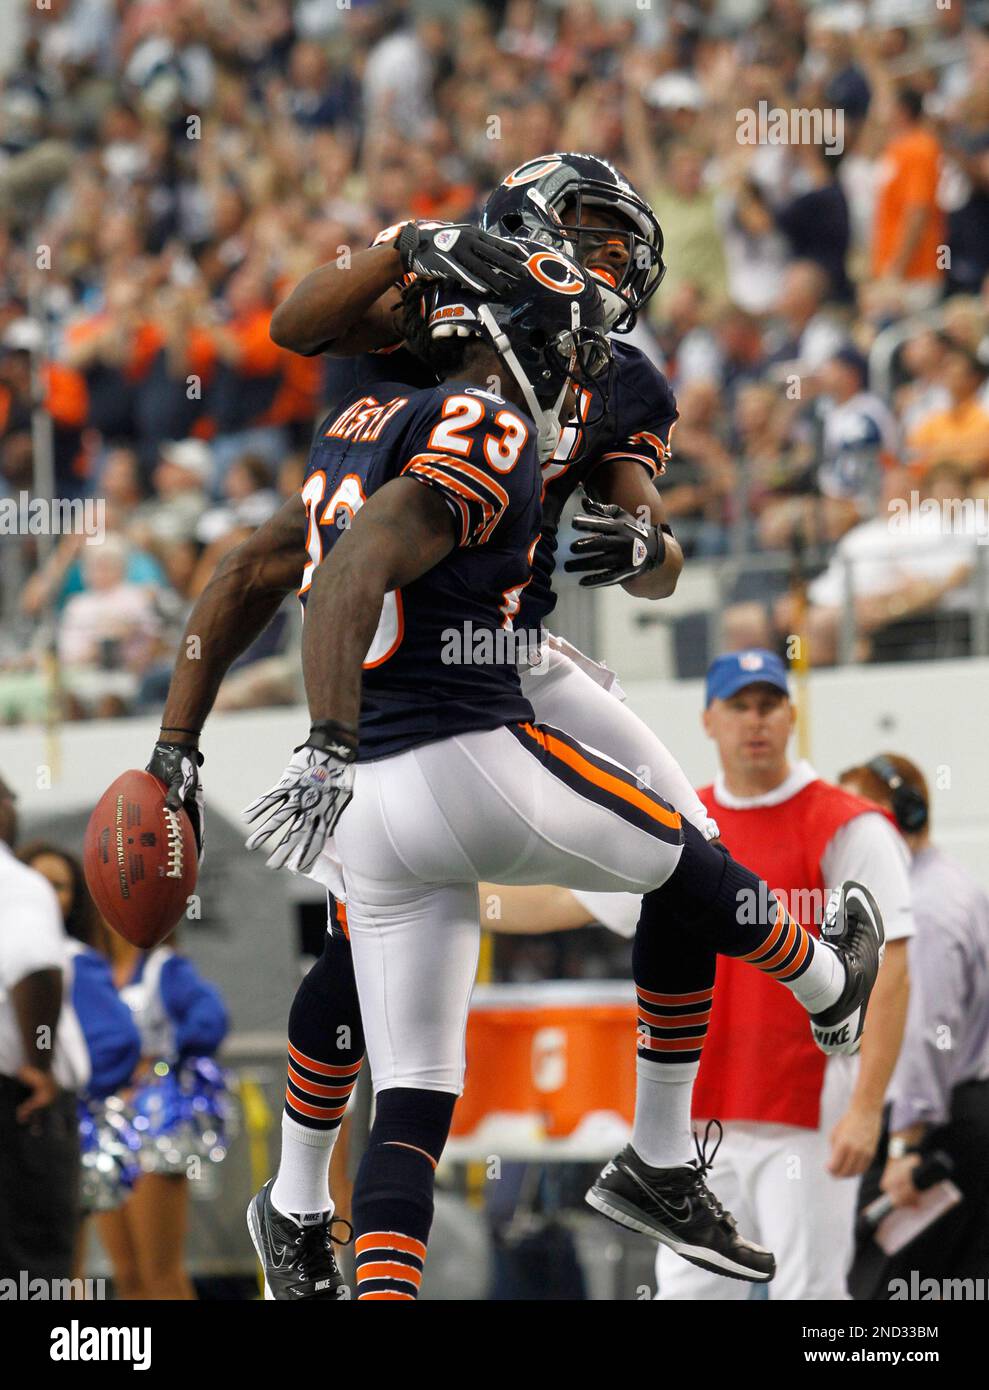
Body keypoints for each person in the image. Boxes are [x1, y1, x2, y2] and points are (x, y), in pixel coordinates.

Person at [231, 255, 881, 1300]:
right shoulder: (454, 363)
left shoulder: (604, 376)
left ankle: (658, 1158)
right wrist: (407, 240)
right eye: (582, 241)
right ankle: (807, 988)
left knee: (670, 858)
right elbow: (297, 329)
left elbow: (655, 554)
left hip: (473, 677)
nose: (603, 277)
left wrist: (644, 546)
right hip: (451, 697)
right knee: (672, 861)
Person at [650, 651, 912, 1301]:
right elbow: (571, 899)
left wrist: (864, 1108)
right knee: (689, 1295)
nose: (754, 721)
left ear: (791, 715)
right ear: (708, 719)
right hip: (700, 1117)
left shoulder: (846, 824)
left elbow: (892, 968)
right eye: (738, 706)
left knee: (808, 1295)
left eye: (767, 705)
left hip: (805, 1107)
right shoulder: (683, 826)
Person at [839, 756, 989, 1298]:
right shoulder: (946, 884)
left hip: (931, 1129)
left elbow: (927, 1036)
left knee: (886, 1295)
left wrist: (904, 1149)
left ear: (899, 817)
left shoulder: (925, 910)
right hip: (954, 1120)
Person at [17, 841, 141, 1278]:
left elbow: (120, 1040)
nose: (49, 894)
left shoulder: (76, 961)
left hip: (49, 1123)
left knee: (56, 1269)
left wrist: (70, 1087)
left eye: (61, 886)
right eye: (39, 882)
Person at [97, 933, 227, 1300]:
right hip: (105, 1131)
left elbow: (211, 1019)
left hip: (154, 1128)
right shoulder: (92, 968)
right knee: (127, 1274)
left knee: (161, 1273)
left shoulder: (164, 968)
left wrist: (160, 1059)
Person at [0, 776, 89, 1288]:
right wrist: (39, 1064)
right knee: (33, 1280)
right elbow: (35, 967)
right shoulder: (15, 883)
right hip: (16, 1107)